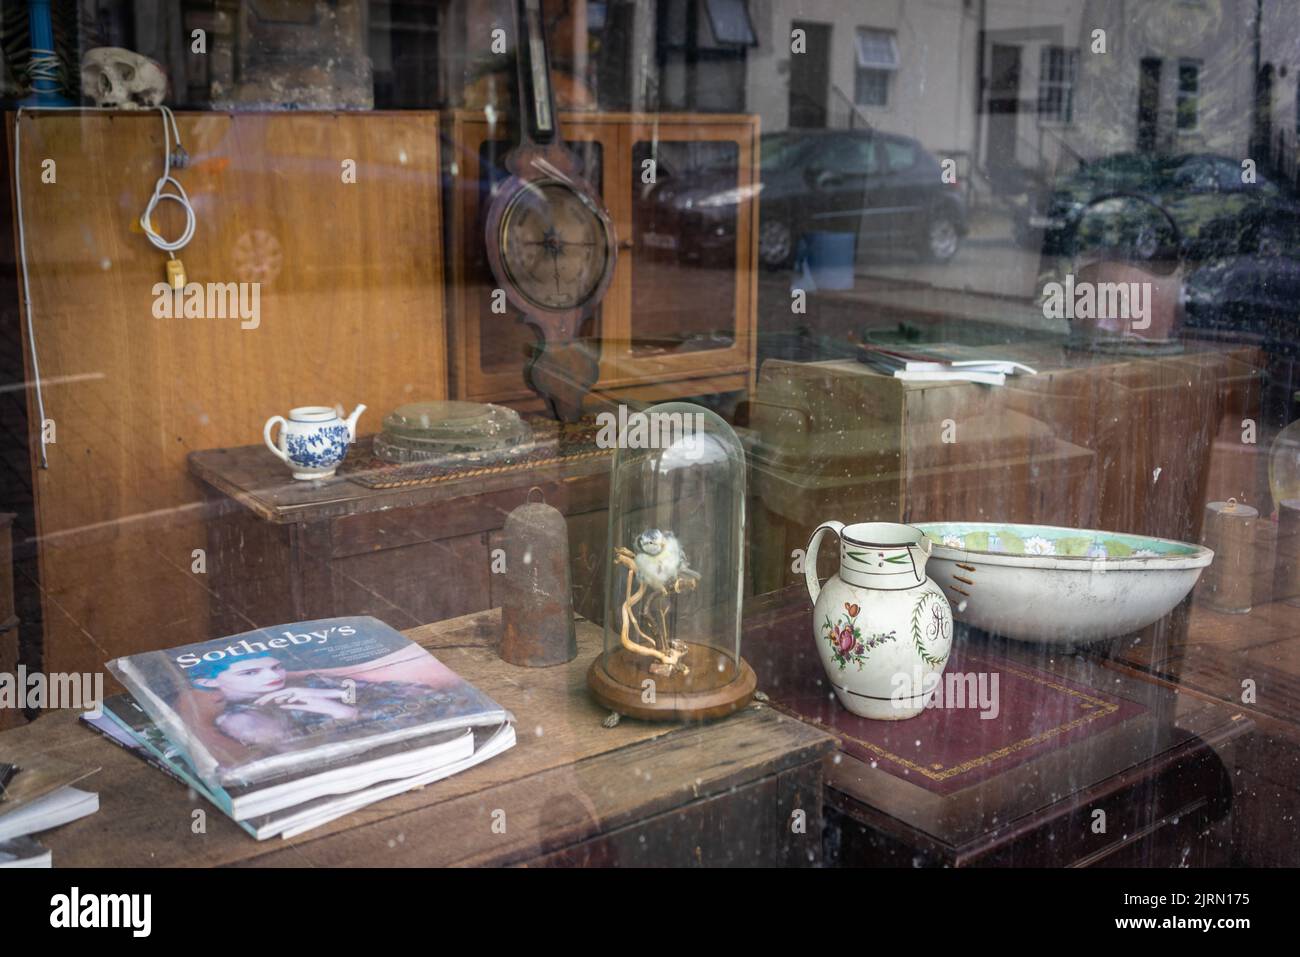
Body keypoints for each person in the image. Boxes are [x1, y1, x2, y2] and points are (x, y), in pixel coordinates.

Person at [187, 653, 435, 749]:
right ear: (209, 682)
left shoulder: (310, 683)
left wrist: (333, 694)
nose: (273, 676)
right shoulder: (241, 719)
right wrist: (346, 714)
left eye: (277, 667)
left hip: (427, 723)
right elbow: (296, 755)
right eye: (250, 673)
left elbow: (421, 693)